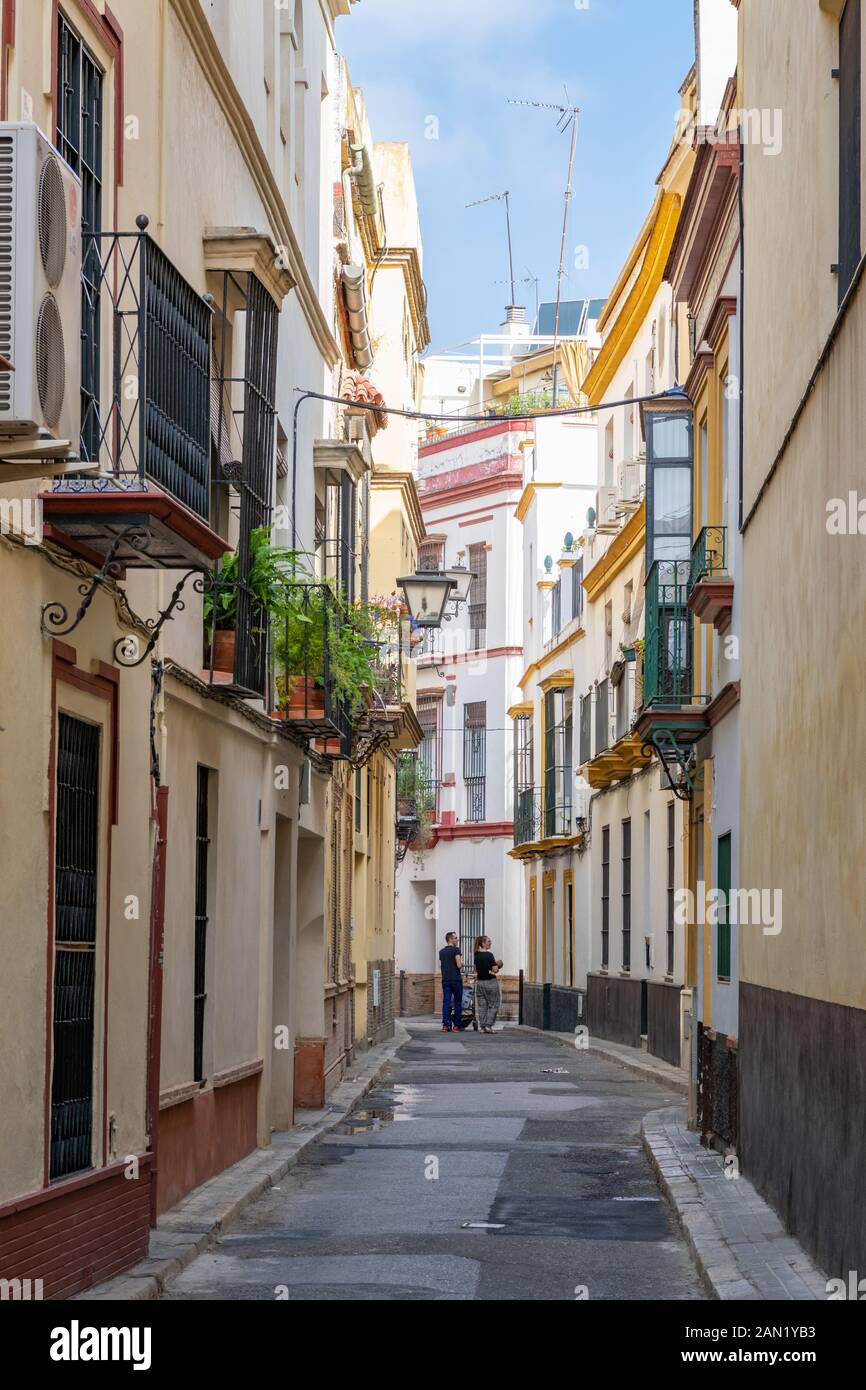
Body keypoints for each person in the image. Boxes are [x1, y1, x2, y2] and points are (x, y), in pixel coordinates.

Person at [473, 935, 502, 1033]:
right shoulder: (489, 955)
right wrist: (498, 965)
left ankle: (482, 1027)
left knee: (482, 1006)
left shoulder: (476, 955)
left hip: (480, 983)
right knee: (494, 1005)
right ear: (483, 943)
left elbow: (475, 970)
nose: (490, 943)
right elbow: (495, 970)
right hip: (490, 983)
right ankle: (489, 1026)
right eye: (489, 941)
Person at [439, 932, 463, 1032]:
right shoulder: (456, 950)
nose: (457, 940)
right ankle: (456, 1026)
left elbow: (443, 966)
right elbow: (459, 965)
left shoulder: (441, 952)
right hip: (456, 980)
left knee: (446, 1002)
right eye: (456, 938)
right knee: (457, 1003)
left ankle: (445, 1025)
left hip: (446, 980)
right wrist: (462, 962)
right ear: (450, 939)